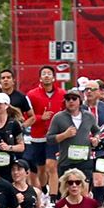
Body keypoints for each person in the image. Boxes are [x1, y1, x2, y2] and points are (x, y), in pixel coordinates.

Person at [24, 65, 66, 197]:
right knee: (41, 169)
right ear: (40, 78)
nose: (46, 76)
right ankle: (44, 189)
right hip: (38, 136)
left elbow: (67, 112)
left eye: (49, 73)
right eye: (44, 74)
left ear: (54, 78)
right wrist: (40, 117)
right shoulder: (32, 95)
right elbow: (26, 116)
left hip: (55, 136)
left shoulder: (62, 94)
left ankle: (53, 196)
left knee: (51, 165)